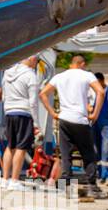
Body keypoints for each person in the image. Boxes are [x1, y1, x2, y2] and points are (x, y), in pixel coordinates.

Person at [39, 54, 104, 192]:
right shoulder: (87, 75)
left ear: (71, 64)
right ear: (82, 64)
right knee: (88, 153)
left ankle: (64, 184)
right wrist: (95, 114)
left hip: (64, 119)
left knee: (65, 153)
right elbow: (101, 92)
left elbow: (43, 94)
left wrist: (52, 113)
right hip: (80, 119)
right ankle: (91, 183)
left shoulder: (59, 76)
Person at [0, 56, 41, 189]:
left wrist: (8, 109)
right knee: (21, 148)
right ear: (31, 59)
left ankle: (4, 180)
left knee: (10, 146)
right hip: (24, 112)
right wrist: (36, 123)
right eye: (37, 60)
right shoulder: (30, 75)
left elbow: (4, 95)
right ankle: (14, 181)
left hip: (9, 112)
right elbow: (33, 102)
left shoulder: (7, 73)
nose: (37, 63)